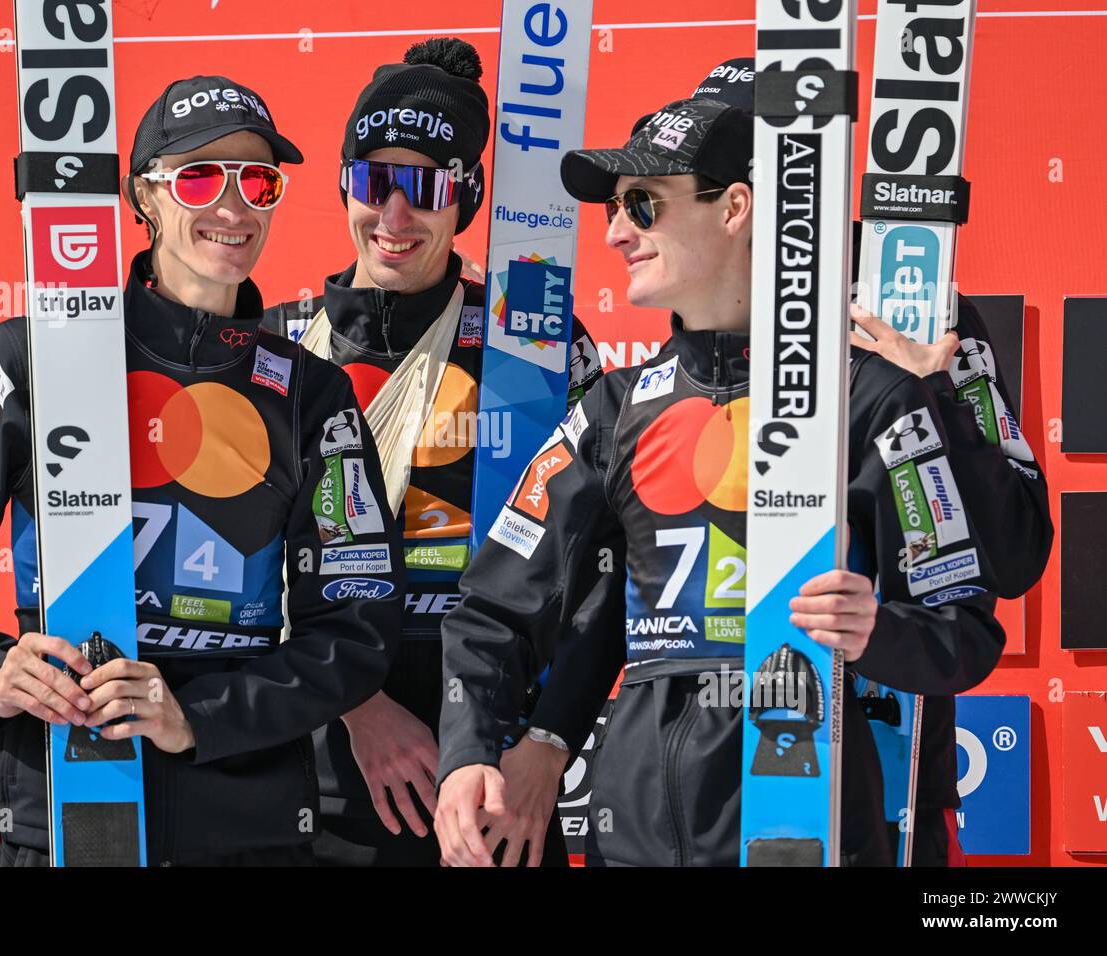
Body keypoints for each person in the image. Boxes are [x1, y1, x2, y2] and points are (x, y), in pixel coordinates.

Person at [434, 96, 1010, 866]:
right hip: (631, 835)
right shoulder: (614, 408)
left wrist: (880, 629)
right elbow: (492, 607)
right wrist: (471, 747)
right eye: (612, 208)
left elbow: (964, 629)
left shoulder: (870, 397)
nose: (614, 232)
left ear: (737, 206)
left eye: (642, 204)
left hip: (806, 820)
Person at [0, 75, 404, 866]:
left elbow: (354, 631)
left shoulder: (309, 395)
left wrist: (197, 716)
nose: (235, 207)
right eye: (199, 178)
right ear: (141, 197)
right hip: (65, 814)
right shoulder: (27, 360)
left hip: (246, 828)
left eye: (259, 181)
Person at [696, 57, 1054, 865]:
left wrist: (934, 404)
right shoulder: (697, 323)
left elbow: (1019, 550)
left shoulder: (912, 304)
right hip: (713, 785)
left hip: (880, 783)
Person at [263, 38, 606, 867]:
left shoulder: (536, 349)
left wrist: (548, 747)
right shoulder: (278, 345)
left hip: (496, 757)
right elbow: (252, 561)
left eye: (424, 187)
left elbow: (602, 569)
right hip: (324, 746)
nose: (394, 217)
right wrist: (361, 708)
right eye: (374, 182)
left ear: (469, 196)